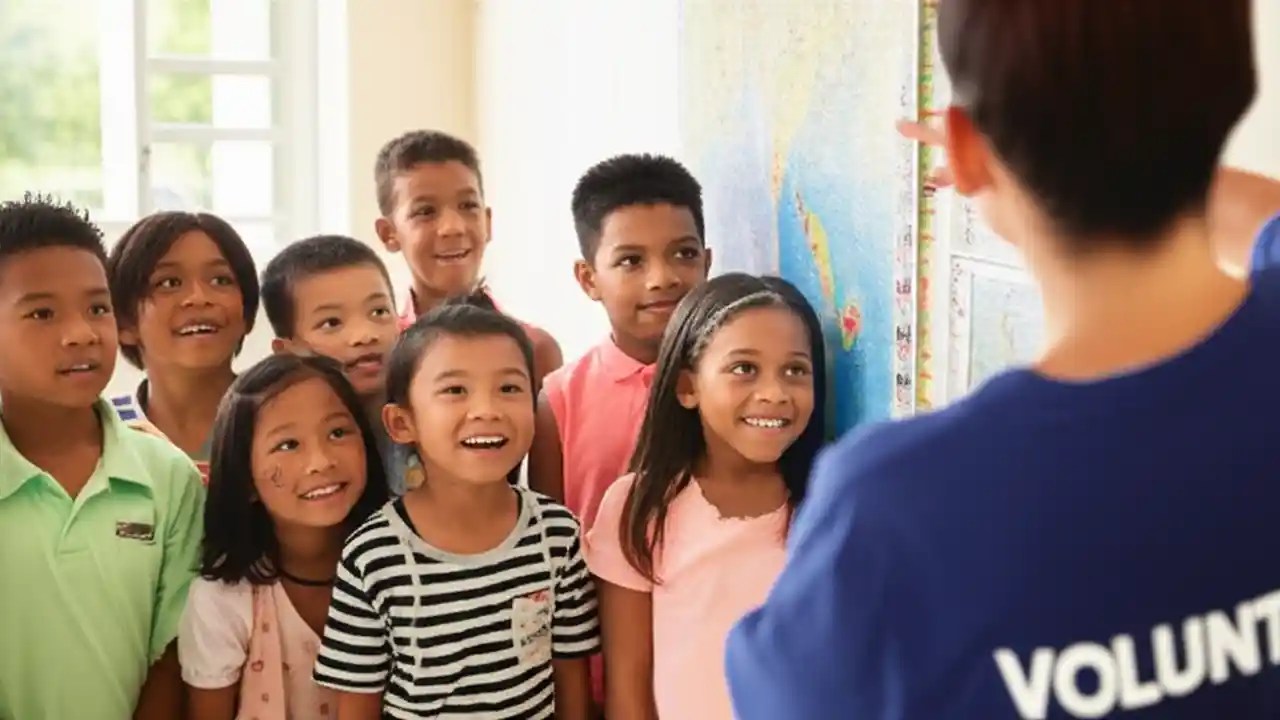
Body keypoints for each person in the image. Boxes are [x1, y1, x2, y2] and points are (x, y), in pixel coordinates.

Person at [728, 2, 1280, 718]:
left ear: (965, 152)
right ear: (1235, 90)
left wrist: (1032, 147)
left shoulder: (895, 513)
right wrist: (1132, 142)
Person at [313, 294, 600, 719]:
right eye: (454, 390)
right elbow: (356, 702)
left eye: (509, 388)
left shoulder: (557, 534)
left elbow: (571, 674)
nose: (486, 410)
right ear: (402, 423)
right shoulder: (373, 554)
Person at [0, 194, 205, 720]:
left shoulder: (166, 478)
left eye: (97, 307)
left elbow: (174, 652)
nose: (82, 333)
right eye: (42, 313)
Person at [585, 273, 825, 720]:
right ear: (687, 387)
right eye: (744, 369)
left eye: (795, 370)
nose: (774, 393)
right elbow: (629, 685)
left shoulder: (828, 511)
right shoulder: (640, 508)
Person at [179, 354, 389, 719]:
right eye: (288, 445)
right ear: (245, 479)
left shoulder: (400, 567)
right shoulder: (225, 600)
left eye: (338, 432)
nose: (321, 461)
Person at [529, 153, 713, 528]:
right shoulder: (559, 401)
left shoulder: (734, 379)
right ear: (588, 279)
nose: (663, 278)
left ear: (707, 264)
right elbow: (549, 540)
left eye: (684, 253)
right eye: (631, 260)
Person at [373, 129, 563, 384]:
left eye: (468, 206)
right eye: (425, 211)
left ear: (487, 222)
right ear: (389, 234)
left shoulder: (535, 349)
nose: (453, 227)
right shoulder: (383, 355)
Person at [107, 211, 260, 481]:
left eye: (220, 280)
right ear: (124, 324)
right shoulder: (101, 430)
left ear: (247, 314)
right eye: (169, 283)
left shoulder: (282, 419)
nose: (199, 298)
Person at [260, 234, 408, 493]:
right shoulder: (275, 443)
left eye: (379, 312)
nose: (365, 335)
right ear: (286, 351)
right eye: (331, 323)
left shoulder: (429, 426)